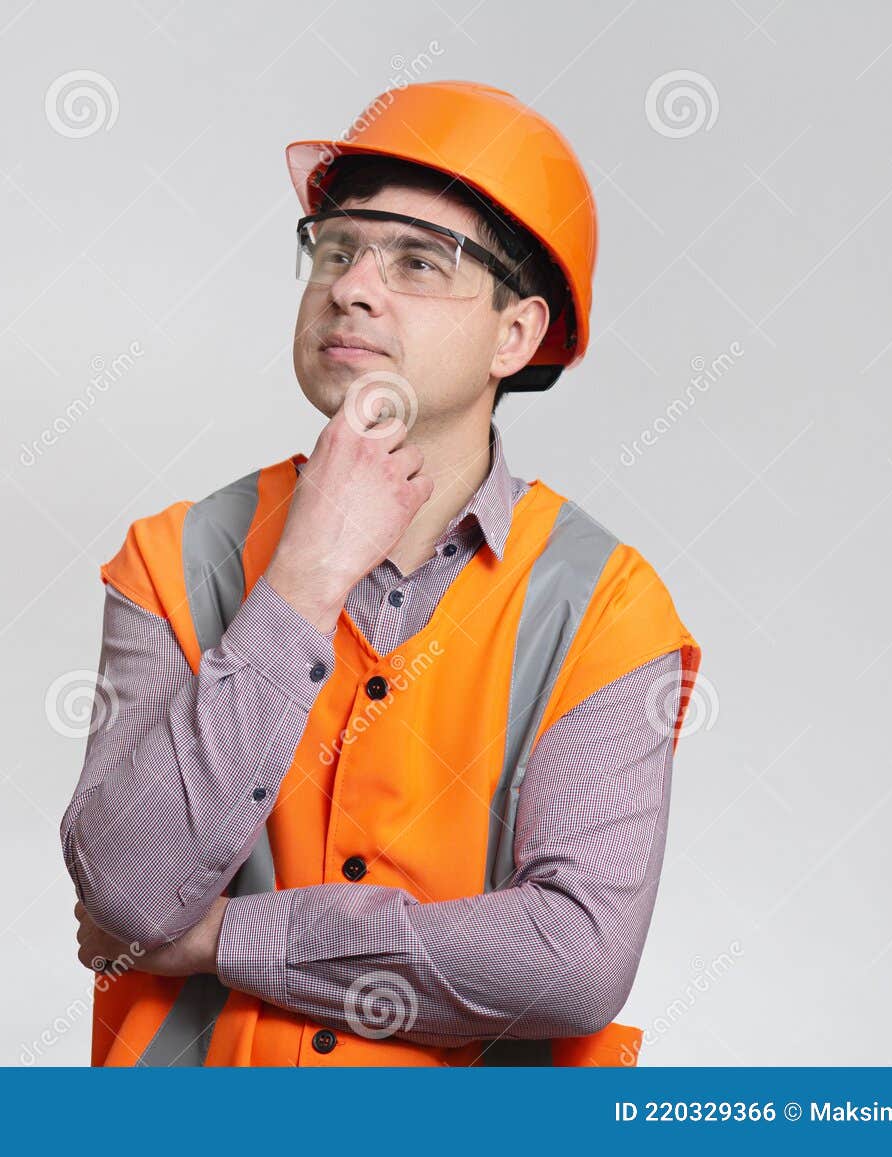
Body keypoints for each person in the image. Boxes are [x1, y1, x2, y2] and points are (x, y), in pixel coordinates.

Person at [60, 81, 702, 1067]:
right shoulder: (169, 558)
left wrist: (224, 938)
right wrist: (303, 579)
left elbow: (573, 959)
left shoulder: (606, 608)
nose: (351, 285)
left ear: (515, 335)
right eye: (335, 247)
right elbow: (127, 893)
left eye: (416, 260)